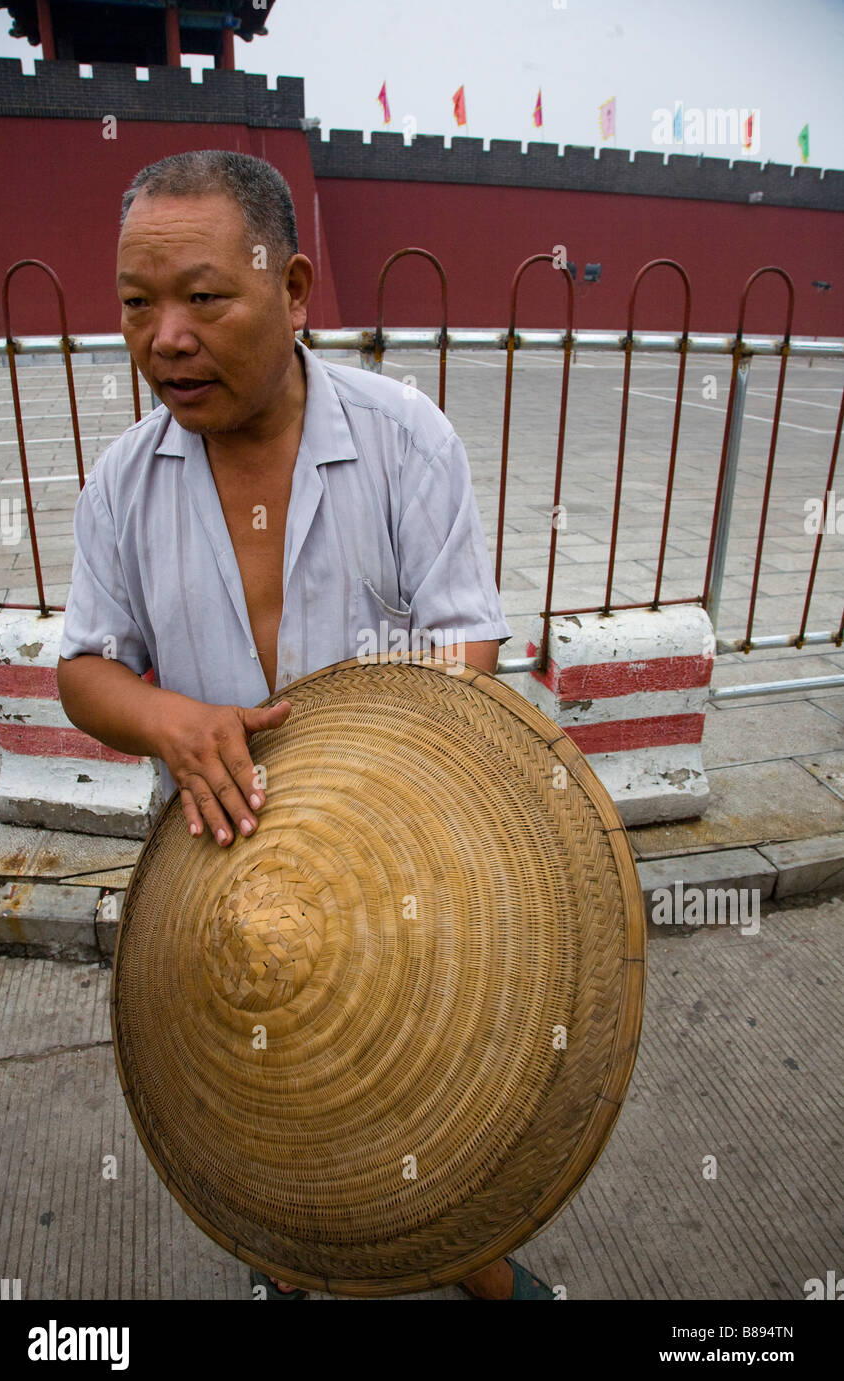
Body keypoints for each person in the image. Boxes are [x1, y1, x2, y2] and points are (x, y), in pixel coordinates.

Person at [57, 150, 553, 1301]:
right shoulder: (122, 486)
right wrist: (169, 719)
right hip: (225, 876)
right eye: (137, 304)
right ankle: (295, 1265)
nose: (165, 337)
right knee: (274, 1113)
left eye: (202, 297)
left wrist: (360, 769)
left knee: (412, 1082)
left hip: (397, 845)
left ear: (292, 292)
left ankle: (477, 1265)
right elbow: (84, 671)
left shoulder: (403, 439)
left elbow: (465, 639)